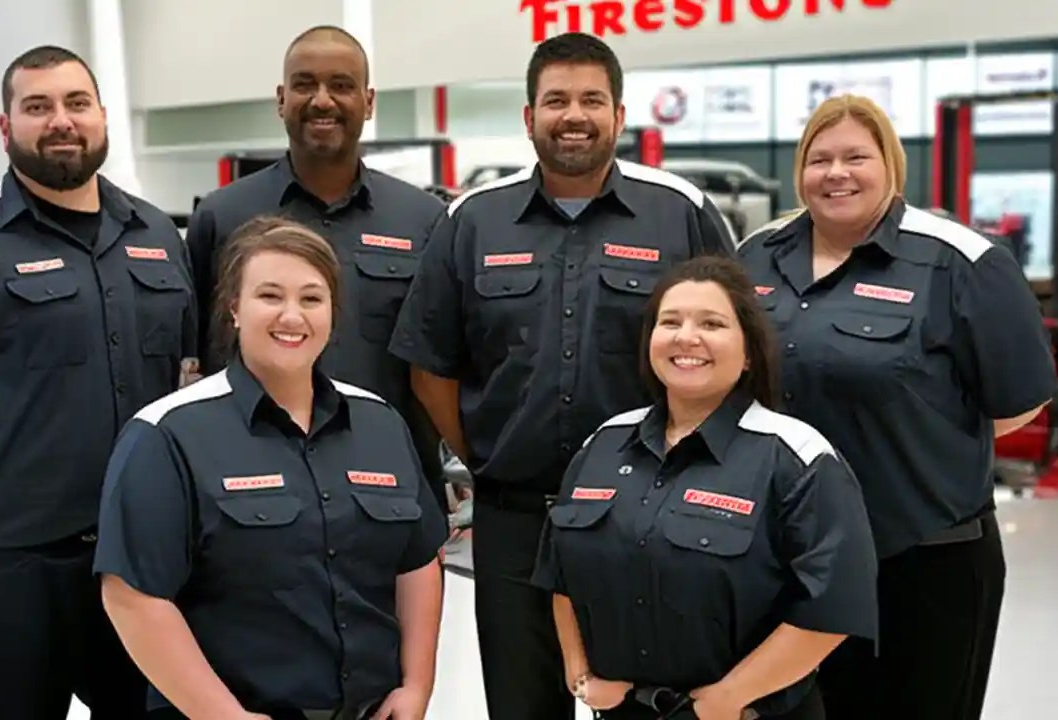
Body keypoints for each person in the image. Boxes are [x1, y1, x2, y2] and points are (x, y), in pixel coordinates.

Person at [388, 31, 736, 720]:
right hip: (515, 521)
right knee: (520, 705)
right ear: (529, 117)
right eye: (556, 101)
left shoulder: (680, 213)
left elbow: (733, 349)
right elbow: (431, 365)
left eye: (591, 100)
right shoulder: (473, 220)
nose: (573, 115)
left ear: (619, 114)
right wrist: (487, 457)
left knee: (651, 705)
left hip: (650, 517)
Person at [0, 45, 196, 718]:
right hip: (7, 570)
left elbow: (185, 378)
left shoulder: (158, 235)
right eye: (37, 106)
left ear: (102, 116)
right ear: (6, 126)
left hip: (140, 556)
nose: (61, 121)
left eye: (76, 103)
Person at [738, 94, 1057, 720]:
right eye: (819, 159)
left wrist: (923, 441)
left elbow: (1020, 399)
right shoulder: (755, 256)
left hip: (922, 556)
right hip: (787, 556)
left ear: (890, 164)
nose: (836, 173)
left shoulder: (961, 262)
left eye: (856, 157)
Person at [94, 216, 448, 720]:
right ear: (233, 308)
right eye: (269, 296)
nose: (292, 316)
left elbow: (417, 562)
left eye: (311, 298)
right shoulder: (166, 433)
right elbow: (131, 596)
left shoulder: (381, 423)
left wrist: (417, 685)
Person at [532, 256, 878, 720]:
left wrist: (727, 698)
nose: (686, 337)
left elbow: (833, 608)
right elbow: (561, 576)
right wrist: (581, 675)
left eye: (712, 323)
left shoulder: (797, 456)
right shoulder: (603, 445)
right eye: (670, 322)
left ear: (749, 351)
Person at [184, 24, 449, 514]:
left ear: (368, 102)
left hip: (389, 485)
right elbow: (200, 354)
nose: (322, 100)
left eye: (341, 85)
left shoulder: (424, 220)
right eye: (305, 84)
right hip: (250, 489)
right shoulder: (222, 217)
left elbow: (439, 362)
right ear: (281, 99)